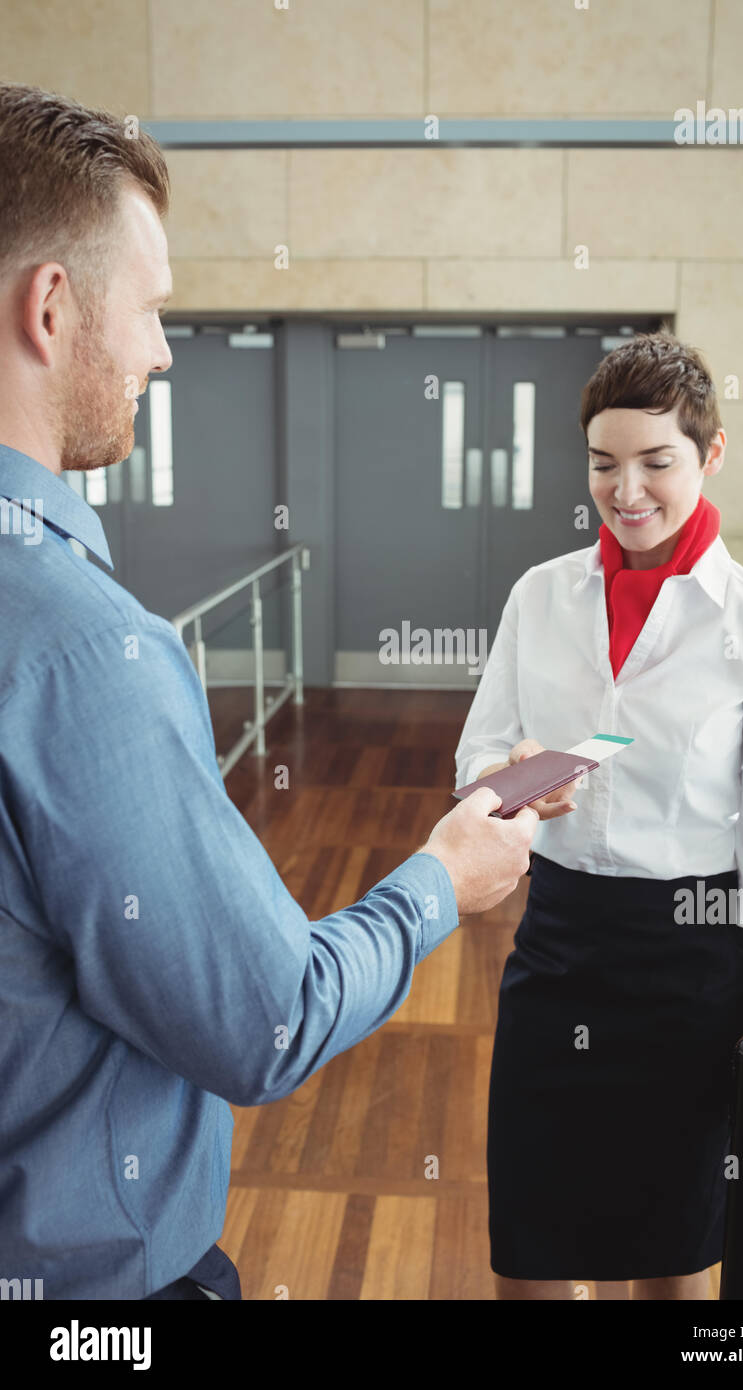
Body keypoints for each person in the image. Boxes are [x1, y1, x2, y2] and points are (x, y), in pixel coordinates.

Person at [0, 82, 537, 1300]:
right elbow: (265, 1017)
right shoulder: (85, 654)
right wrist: (441, 879)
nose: (159, 350)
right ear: (49, 306)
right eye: (150, 310)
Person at [454, 330, 743, 1301]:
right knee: (531, 1253)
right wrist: (511, 779)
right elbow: (476, 753)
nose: (626, 491)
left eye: (655, 463)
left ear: (708, 454)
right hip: (559, 946)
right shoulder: (539, 596)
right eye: (604, 464)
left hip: (690, 966)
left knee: (672, 1260)